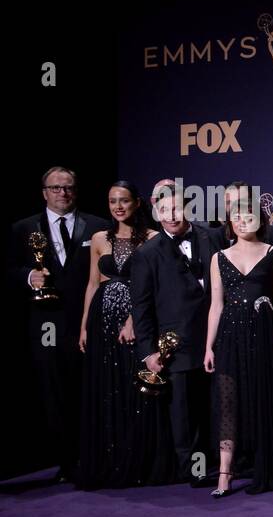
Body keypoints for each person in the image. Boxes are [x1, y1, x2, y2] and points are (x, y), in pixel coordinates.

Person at [9, 167, 110, 481]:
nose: (62, 194)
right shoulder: (23, 228)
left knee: (90, 388)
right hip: (46, 322)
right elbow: (9, 268)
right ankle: (66, 462)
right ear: (44, 192)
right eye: (55, 188)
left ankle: (95, 457)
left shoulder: (98, 226)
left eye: (68, 188)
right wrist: (29, 276)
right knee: (54, 390)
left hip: (87, 319)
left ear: (76, 191)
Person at [204, 183, 273, 497]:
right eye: (237, 216)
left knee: (263, 399)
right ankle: (224, 475)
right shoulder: (218, 257)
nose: (243, 221)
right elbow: (215, 304)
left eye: (249, 215)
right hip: (229, 335)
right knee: (228, 403)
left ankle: (266, 467)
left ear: (261, 219)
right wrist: (208, 346)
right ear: (230, 221)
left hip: (264, 332)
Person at [76, 181, 169, 489]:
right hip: (101, 321)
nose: (118, 206)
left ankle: (138, 461)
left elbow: (153, 287)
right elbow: (93, 282)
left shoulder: (153, 238)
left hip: (137, 322)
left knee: (134, 389)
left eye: (124, 201)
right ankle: (108, 461)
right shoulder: (99, 237)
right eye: (113, 201)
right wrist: (84, 324)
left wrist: (133, 320)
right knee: (106, 390)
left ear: (137, 203)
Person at [131, 183, 224, 486]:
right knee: (184, 414)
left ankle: (223, 463)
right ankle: (193, 469)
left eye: (177, 208)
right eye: (164, 210)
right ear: (156, 213)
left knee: (216, 405)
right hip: (176, 346)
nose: (172, 215)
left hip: (216, 337)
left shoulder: (211, 236)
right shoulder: (147, 254)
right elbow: (141, 308)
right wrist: (147, 352)